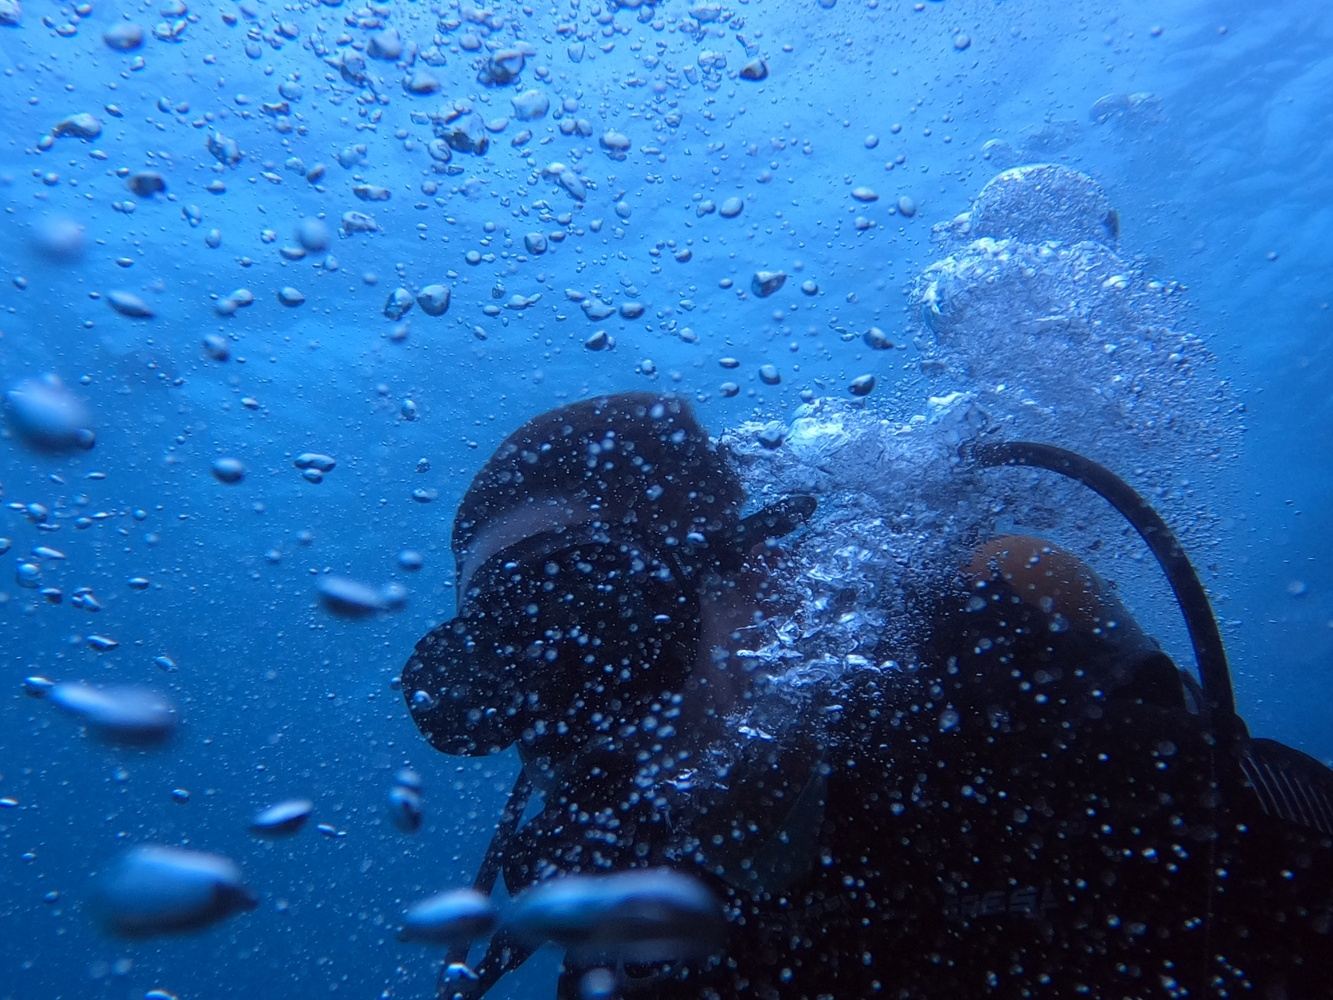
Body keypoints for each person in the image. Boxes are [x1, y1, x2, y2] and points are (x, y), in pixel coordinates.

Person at [402, 391, 1333, 999]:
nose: (575, 711)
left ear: (757, 577)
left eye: (595, 619)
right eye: (513, 667)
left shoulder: (1019, 740)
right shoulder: (629, 938)